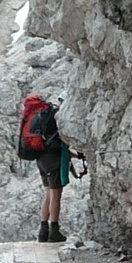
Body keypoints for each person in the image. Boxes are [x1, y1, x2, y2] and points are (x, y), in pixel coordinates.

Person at [31, 93, 84, 242]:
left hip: (41, 159)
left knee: (48, 194)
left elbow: (55, 144)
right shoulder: (59, 118)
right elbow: (60, 144)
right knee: (56, 195)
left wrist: (75, 156)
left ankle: (43, 231)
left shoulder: (46, 116)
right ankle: (54, 230)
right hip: (53, 161)